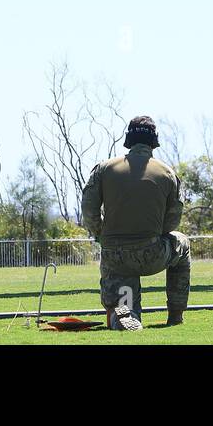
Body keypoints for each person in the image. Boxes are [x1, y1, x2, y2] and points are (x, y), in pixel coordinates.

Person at [81, 116, 191, 330]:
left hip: (116, 257)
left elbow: (88, 208)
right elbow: (173, 219)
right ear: (154, 142)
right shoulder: (167, 173)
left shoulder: (104, 169)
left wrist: (102, 234)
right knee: (182, 242)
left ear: (128, 140)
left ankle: (124, 315)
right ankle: (175, 315)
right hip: (152, 253)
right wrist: (155, 232)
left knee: (124, 294)